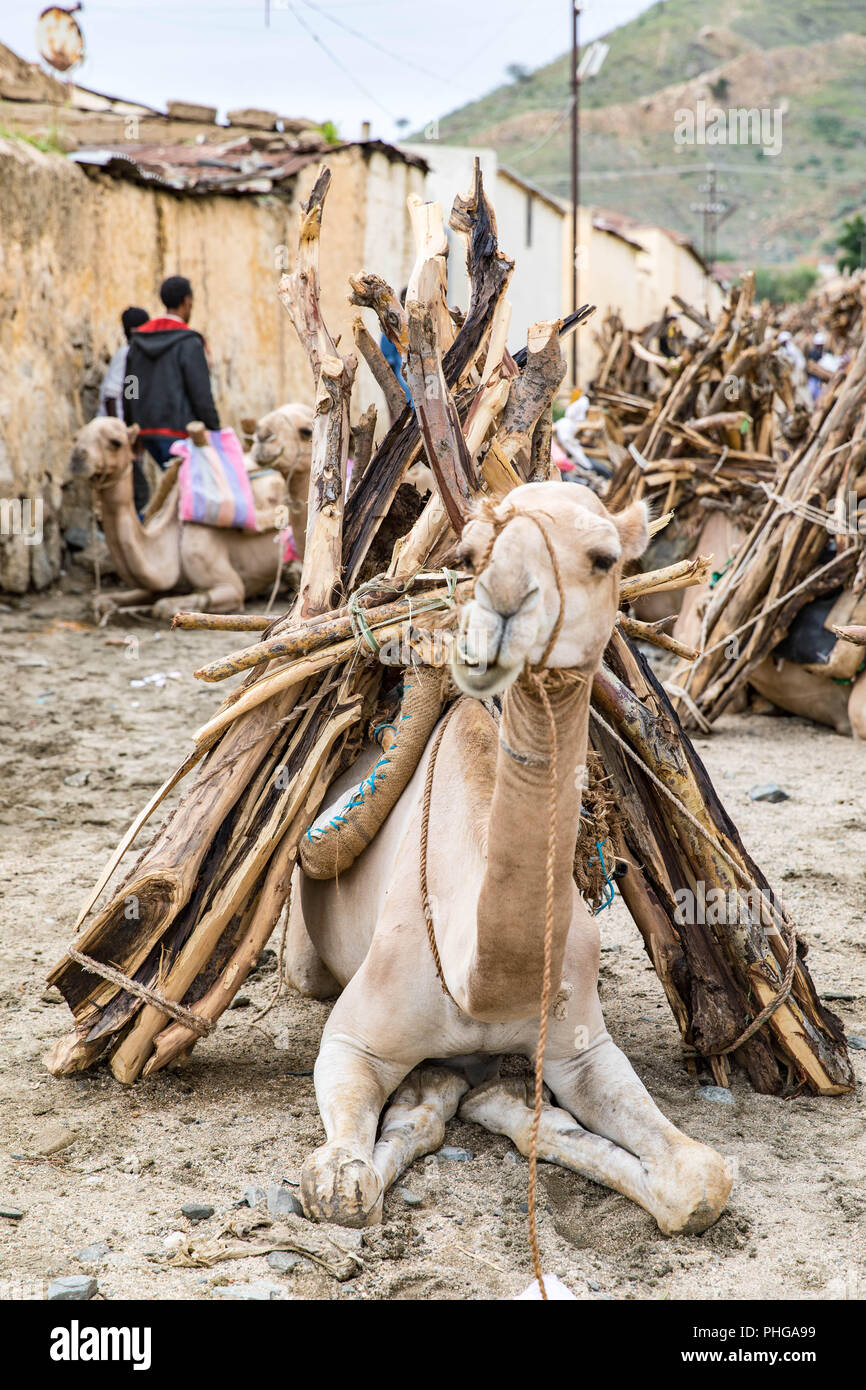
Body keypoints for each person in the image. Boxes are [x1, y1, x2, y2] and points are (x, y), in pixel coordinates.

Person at [124, 275, 220, 468]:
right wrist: (215, 430)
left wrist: (132, 424)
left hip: (146, 432)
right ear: (187, 301)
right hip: (180, 433)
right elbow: (200, 393)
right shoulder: (189, 342)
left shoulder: (138, 340)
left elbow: (130, 386)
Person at [98, 306, 149, 418]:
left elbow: (131, 393)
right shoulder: (125, 354)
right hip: (113, 428)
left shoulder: (135, 355)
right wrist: (117, 429)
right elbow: (110, 395)